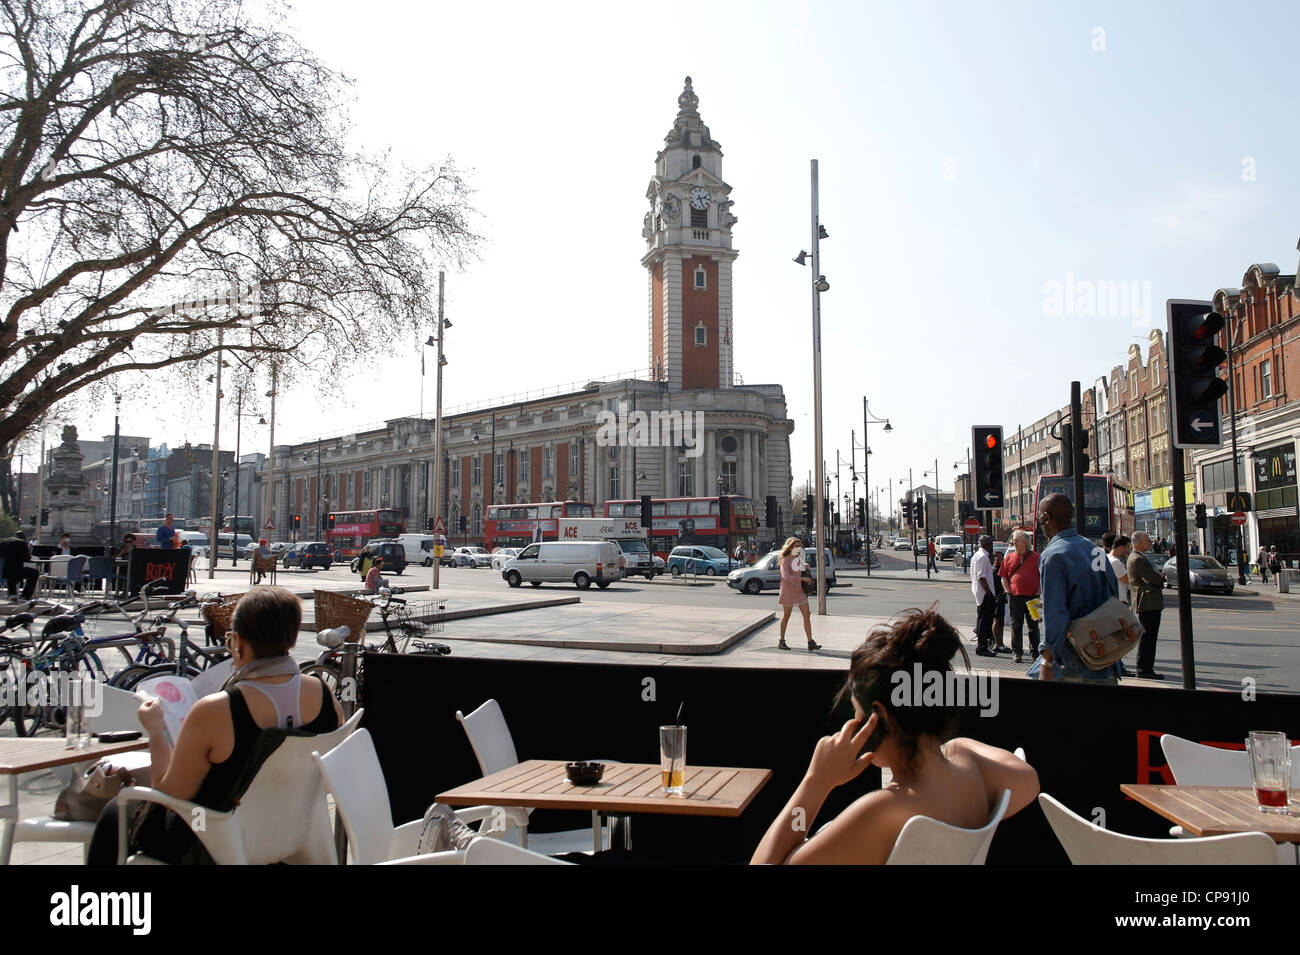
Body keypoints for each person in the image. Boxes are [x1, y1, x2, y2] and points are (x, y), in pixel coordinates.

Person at [750, 608, 1040, 864]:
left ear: (880, 717)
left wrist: (816, 783)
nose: (854, 723)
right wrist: (954, 746)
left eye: (857, 713)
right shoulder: (969, 766)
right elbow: (1029, 781)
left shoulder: (881, 813)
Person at [86, 587, 343, 865]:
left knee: (115, 811)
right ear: (290, 639)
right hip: (286, 839)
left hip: (209, 841)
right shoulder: (324, 696)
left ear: (239, 641)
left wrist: (157, 730)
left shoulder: (218, 709)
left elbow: (169, 795)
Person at [1026, 493, 1122, 683]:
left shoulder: (1054, 556)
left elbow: (1056, 612)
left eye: (1039, 517)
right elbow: (1114, 593)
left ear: (1047, 517)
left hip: (1074, 661)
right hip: (1105, 655)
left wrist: (1047, 660)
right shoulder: (1093, 549)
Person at [1127, 532, 1165, 680]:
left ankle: (1146, 668)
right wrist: (1160, 579)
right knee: (1148, 638)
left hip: (1148, 601)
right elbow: (1154, 577)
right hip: (1147, 601)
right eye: (1148, 540)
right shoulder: (1138, 559)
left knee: (1149, 637)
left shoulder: (1138, 557)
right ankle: (1144, 669)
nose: (1150, 542)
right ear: (1139, 542)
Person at [999, 530, 1040, 664]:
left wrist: (1038, 592)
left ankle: (1035, 653)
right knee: (1016, 625)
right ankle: (1017, 652)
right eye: (1014, 541)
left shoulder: (1037, 557)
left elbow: (1042, 576)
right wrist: (1008, 591)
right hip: (1015, 596)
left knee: (1033, 626)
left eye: (1016, 540)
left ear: (1025, 542)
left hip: (1033, 597)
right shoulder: (1009, 557)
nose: (1014, 543)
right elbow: (1003, 577)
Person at [776, 537, 820, 652]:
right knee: (786, 616)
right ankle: (781, 641)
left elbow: (800, 567)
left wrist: (806, 565)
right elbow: (786, 577)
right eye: (796, 546)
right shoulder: (785, 560)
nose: (799, 548)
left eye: (800, 546)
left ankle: (810, 641)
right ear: (790, 547)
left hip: (799, 591)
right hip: (788, 591)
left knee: (807, 616)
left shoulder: (798, 558)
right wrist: (803, 578)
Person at [969, 535, 997, 658]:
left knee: (981, 619)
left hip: (979, 592)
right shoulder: (983, 557)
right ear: (988, 545)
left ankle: (982, 645)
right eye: (991, 544)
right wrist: (989, 592)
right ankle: (982, 647)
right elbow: (982, 576)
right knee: (985, 620)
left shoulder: (977, 555)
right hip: (985, 593)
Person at [0, 530, 39, 600]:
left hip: (3, 571)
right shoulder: (22, 543)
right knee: (34, 573)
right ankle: (26, 596)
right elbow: (27, 558)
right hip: (15, 571)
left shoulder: (4, 542)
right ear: (24, 538)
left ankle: (12, 593)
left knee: (12, 575)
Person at [989, 551, 1011, 654]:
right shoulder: (995, 570)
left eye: (1001, 559)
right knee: (998, 621)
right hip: (998, 598)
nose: (998, 560)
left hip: (1000, 598)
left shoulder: (999, 570)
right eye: (996, 558)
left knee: (1000, 622)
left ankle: (1000, 644)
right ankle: (998, 644)